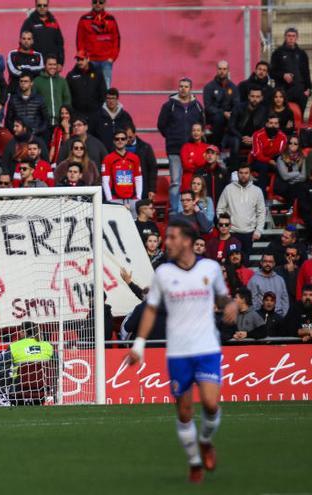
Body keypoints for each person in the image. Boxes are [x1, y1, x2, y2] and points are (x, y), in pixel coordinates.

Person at [128, 218, 236, 483]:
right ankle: (194, 462)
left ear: (187, 240)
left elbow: (222, 296)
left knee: (211, 404)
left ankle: (206, 440)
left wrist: (229, 304)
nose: (168, 242)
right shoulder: (163, 273)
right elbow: (151, 308)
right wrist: (139, 344)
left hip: (207, 347)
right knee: (185, 412)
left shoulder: (210, 268)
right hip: (177, 352)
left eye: (172, 237)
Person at [158, 77, 205, 211]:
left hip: (192, 149)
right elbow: (161, 124)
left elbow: (201, 124)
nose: (183, 89)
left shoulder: (197, 106)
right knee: (175, 181)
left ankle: (195, 207)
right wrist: (171, 136)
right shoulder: (169, 105)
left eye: (186, 86)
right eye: (181, 86)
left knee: (194, 181)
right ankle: (175, 209)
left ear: (191, 89)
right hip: (175, 149)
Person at [216, 163, 266, 257]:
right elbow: (220, 209)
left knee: (246, 263)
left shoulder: (257, 191)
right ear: (237, 174)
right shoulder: (228, 189)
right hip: (231, 233)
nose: (243, 175)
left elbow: (261, 212)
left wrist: (258, 230)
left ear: (250, 174)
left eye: (246, 173)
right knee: (231, 262)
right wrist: (224, 225)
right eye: (241, 173)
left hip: (249, 234)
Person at [76, 0, 120, 88]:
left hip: (106, 61)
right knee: (89, 88)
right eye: (95, 2)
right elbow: (79, 40)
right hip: (90, 61)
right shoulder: (84, 19)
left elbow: (116, 39)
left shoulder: (111, 19)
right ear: (92, 3)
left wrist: (112, 57)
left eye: (101, 2)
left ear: (105, 4)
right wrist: (83, 58)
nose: (98, 4)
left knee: (105, 88)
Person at [270, 28, 312, 112]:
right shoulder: (277, 53)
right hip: (284, 91)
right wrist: (283, 75)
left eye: (293, 36)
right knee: (284, 118)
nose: (291, 38)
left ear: (297, 38)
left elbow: (306, 72)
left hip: (300, 91)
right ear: (285, 37)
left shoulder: (302, 53)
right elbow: (271, 72)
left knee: (299, 119)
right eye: (289, 36)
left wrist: (308, 89)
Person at [101, 130, 142, 212]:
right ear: (113, 141)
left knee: (133, 223)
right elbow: (105, 181)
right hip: (115, 200)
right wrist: (110, 199)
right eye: (117, 139)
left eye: (122, 139)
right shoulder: (107, 159)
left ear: (127, 141)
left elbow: (138, 179)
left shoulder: (135, 158)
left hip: (133, 199)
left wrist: (138, 197)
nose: (120, 141)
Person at [202, 60, 239, 146]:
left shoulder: (233, 87)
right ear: (217, 70)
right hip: (213, 117)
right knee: (218, 118)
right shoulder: (209, 87)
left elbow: (236, 104)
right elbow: (208, 107)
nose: (222, 71)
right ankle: (217, 147)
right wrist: (223, 113)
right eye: (220, 69)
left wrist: (232, 114)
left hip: (230, 117)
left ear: (228, 70)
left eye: (224, 69)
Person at [5, 72, 49, 139]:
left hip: (35, 137)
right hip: (18, 137)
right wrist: (17, 130)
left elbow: (46, 120)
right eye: (21, 81)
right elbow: (8, 120)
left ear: (31, 83)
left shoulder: (39, 99)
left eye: (26, 81)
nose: (23, 83)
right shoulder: (13, 99)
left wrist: (36, 131)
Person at [249, 114, 286, 192]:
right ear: (266, 124)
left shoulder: (283, 137)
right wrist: (269, 161)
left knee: (283, 168)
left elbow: (282, 153)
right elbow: (257, 155)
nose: (273, 126)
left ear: (279, 125)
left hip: (274, 160)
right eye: (271, 123)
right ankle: (261, 195)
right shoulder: (257, 135)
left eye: (276, 123)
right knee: (264, 167)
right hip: (257, 161)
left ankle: (278, 194)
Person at [20, 0, 64, 65]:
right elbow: (23, 43)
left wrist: (60, 62)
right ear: (36, 6)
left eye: (45, 5)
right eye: (39, 5)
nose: (42, 7)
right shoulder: (29, 22)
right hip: (35, 63)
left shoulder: (54, 22)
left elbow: (60, 43)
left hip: (51, 65)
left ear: (47, 6)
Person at [34, 56, 71, 128]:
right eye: (50, 64)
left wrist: (65, 117)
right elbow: (34, 101)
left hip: (60, 122)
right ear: (45, 65)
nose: (53, 67)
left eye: (54, 64)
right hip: (43, 123)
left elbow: (67, 99)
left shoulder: (62, 81)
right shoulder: (37, 81)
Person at [67, 51, 106, 117]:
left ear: (88, 59)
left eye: (82, 59)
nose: (79, 62)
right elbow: (68, 94)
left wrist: (98, 108)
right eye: (78, 60)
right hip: (77, 114)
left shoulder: (98, 74)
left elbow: (103, 92)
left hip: (95, 113)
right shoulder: (71, 75)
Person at [124, 125, 158, 200]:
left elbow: (152, 169)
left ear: (135, 134)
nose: (128, 140)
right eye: (126, 138)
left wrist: (152, 189)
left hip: (143, 189)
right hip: (124, 188)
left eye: (130, 137)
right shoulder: (117, 149)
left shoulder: (145, 147)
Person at [275, 135, 306, 203]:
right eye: (290, 143)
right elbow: (285, 176)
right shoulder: (281, 158)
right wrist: (298, 173)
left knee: (301, 187)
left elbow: (303, 176)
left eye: (295, 143)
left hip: (297, 184)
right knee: (296, 189)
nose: (292, 145)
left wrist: (292, 178)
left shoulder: (302, 158)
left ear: (299, 146)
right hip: (283, 185)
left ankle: (295, 209)